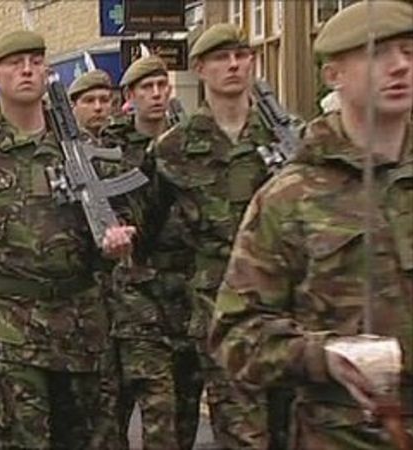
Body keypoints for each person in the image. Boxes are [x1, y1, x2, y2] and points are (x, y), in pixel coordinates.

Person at [0, 30, 140, 448]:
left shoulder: (81, 149)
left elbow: (122, 213)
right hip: (8, 327)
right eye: (15, 63)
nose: (26, 70)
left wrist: (117, 239)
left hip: (79, 324)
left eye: (35, 61)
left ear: (47, 72)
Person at [210, 2, 413, 449]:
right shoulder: (292, 196)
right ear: (333, 76)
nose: (399, 66)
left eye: (408, 51)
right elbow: (236, 334)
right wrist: (325, 356)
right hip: (343, 432)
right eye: (377, 54)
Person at [148, 23, 276, 449]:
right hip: (218, 306)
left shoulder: (286, 135)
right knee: (242, 432)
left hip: (286, 302)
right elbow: (151, 238)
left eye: (241, 55)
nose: (234, 64)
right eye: (222, 57)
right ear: (200, 69)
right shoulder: (173, 149)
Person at [100, 54, 199, 449]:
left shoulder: (189, 143)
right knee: (154, 406)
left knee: (186, 407)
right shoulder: (111, 150)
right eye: (147, 88)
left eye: (162, 86)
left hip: (186, 289)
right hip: (134, 293)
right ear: (130, 96)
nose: (157, 95)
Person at [68, 69, 114, 138]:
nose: (98, 107)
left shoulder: (124, 137)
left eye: (104, 100)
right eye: (89, 101)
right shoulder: (58, 144)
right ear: (73, 106)